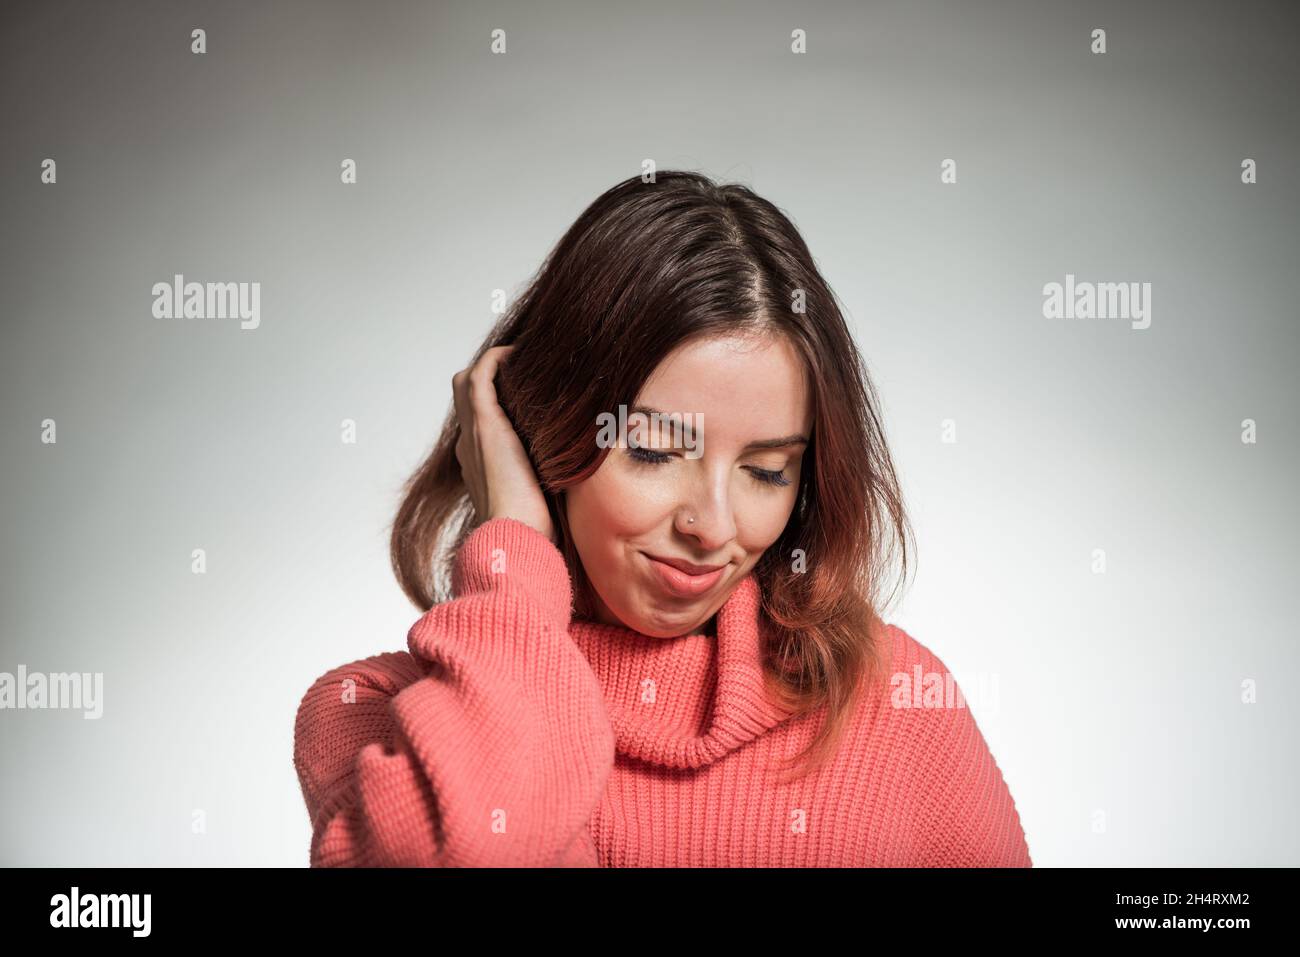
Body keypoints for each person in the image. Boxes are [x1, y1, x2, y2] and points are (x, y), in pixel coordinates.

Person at [292, 171, 1032, 867]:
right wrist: (513, 551)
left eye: (767, 470)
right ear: (540, 431)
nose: (713, 526)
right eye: (652, 451)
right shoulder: (373, 717)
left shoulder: (889, 694)